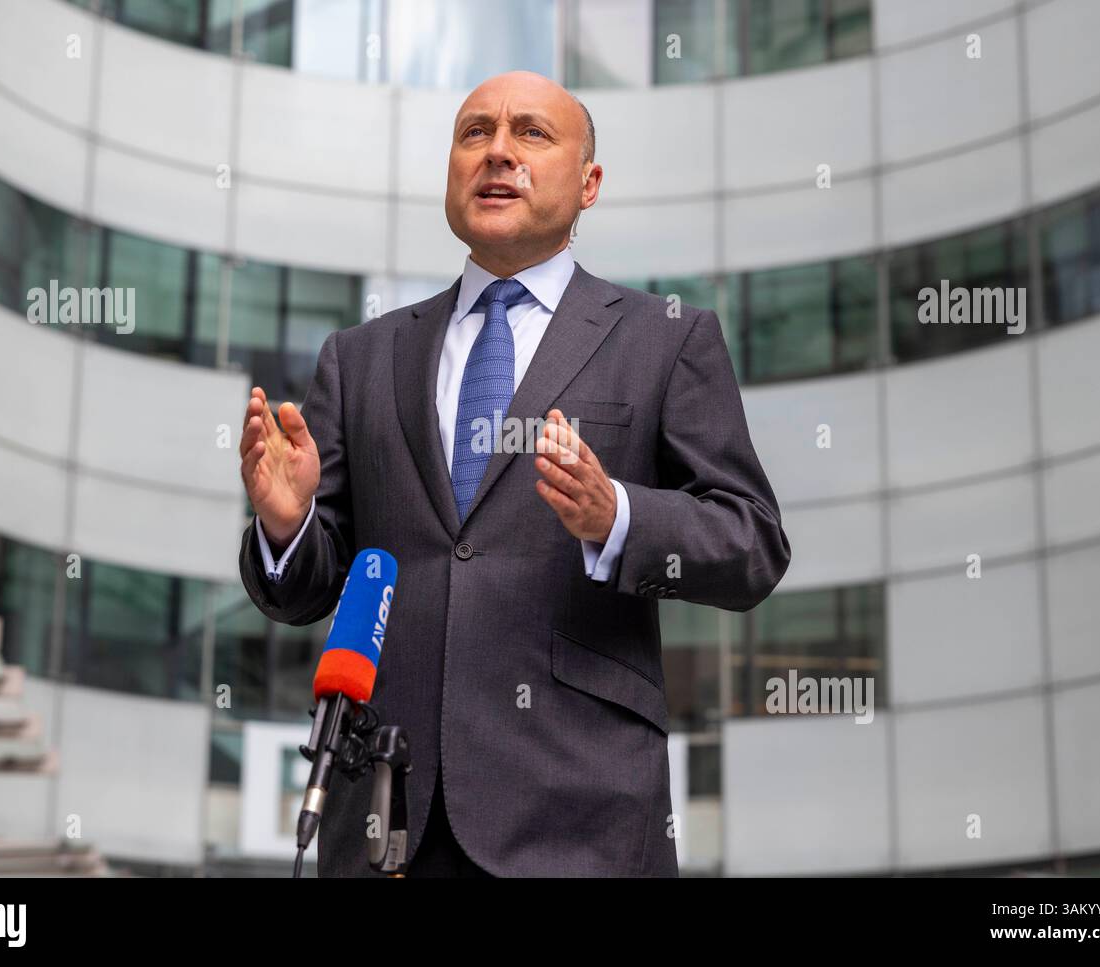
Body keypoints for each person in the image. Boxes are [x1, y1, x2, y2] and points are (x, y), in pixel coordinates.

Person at [238, 70, 791, 877]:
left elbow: (753, 545)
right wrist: (288, 529)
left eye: (531, 133)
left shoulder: (665, 339)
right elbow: (306, 588)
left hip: (580, 821)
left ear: (589, 183)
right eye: (474, 133)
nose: (498, 151)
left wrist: (618, 517)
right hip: (386, 817)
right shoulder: (360, 359)